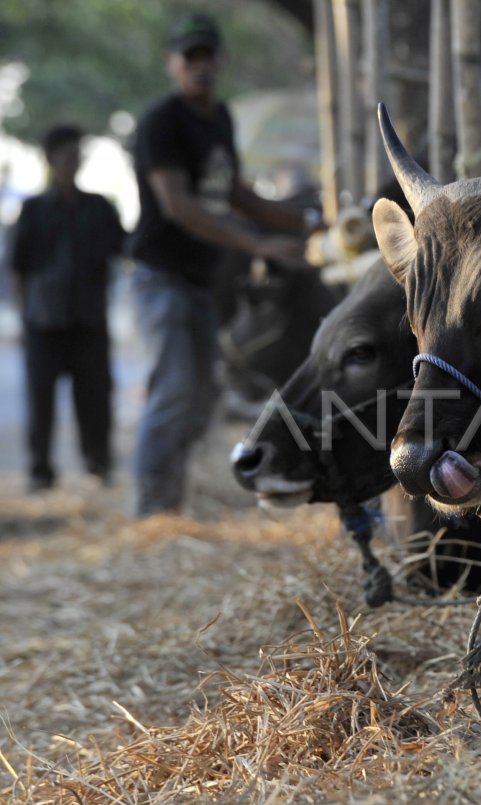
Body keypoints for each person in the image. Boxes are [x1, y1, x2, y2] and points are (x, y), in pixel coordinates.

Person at [128, 12, 310, 517]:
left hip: (198, 281)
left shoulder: (219, 119)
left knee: (203, 395)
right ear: (172, 65)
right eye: (191, 58)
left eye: (209, 57)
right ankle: (149, 512)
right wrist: (256, 246)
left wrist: (303, 222)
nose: (201, 68)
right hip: (159, 280)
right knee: (173, 393)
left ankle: (171, 497)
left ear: (221, 61)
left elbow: (233, 193)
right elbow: (179, 205)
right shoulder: (161, 122)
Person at [9, 124, 126, 492]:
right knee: (40, 402)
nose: (73, 162)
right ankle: (40, 470)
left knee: (95, 398)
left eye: (78, 154)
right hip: (44, 319)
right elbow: (18, 268)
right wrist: (23, 317)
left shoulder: (99, 208)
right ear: (51, 160)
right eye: (67, 155)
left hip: (88, 318)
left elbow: (123, 251)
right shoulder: (33, 209)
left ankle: (99, 463)